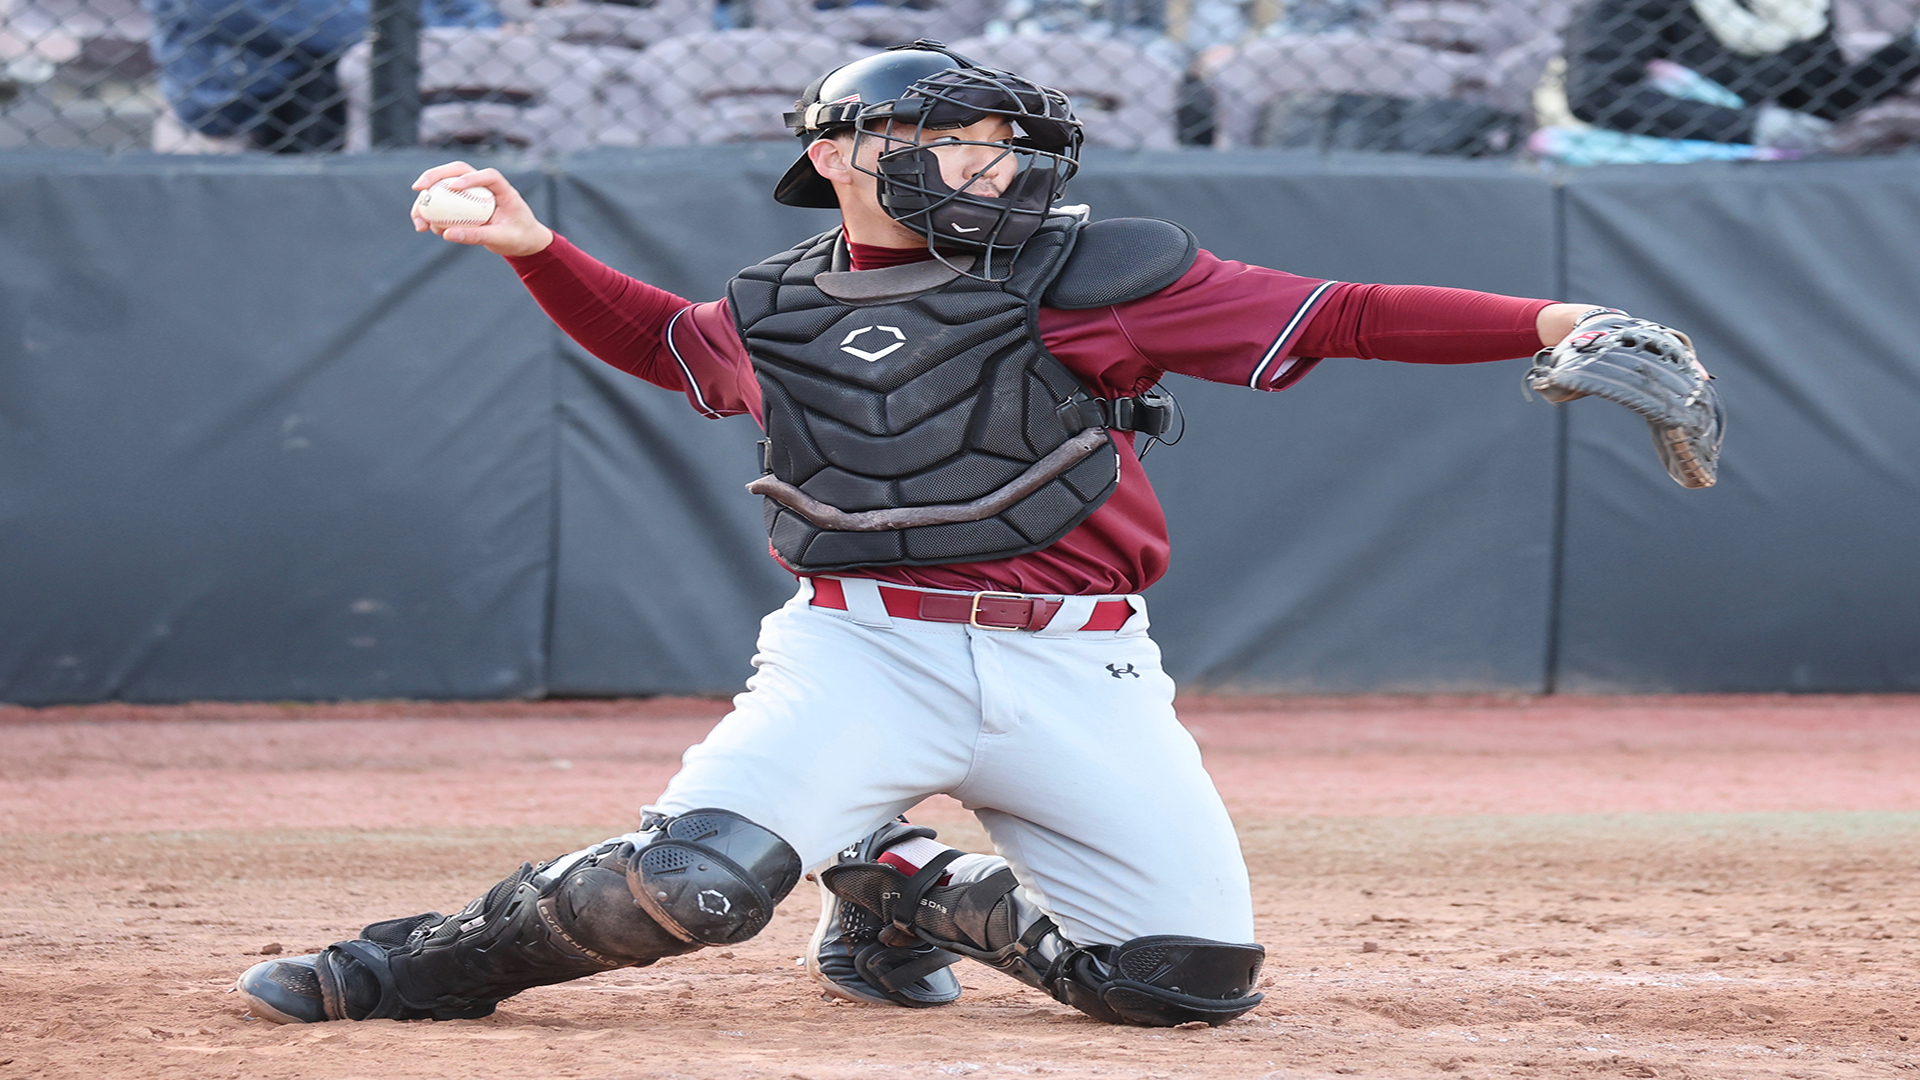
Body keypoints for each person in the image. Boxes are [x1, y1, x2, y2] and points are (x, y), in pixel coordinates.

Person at [233, 40, 1645, 1027]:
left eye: (999, 144)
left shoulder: (1100, 277)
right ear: (834, 153)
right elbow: (670, 344)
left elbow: (1342, 312)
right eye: (954, 139)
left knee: (1181, 980)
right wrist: (535, 250)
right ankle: (406, 967)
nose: (990, 168)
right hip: (862, 657)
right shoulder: (778, 308)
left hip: (1081, 672)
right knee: (690, 886)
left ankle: (901, 886)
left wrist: (1555, 323)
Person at [146, 0, 501, 153]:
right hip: (246, 121)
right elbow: (302, 20)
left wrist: (416, 27)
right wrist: (424, 26)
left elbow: (478, 16)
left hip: (416, 98)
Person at [1562, 0, 1920, 150]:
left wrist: (1910, 49)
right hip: (1646, 170)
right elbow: (1596, 94)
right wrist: (1749, 126)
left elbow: (1816, 101)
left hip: (1758, 173)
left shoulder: (1799, 9)